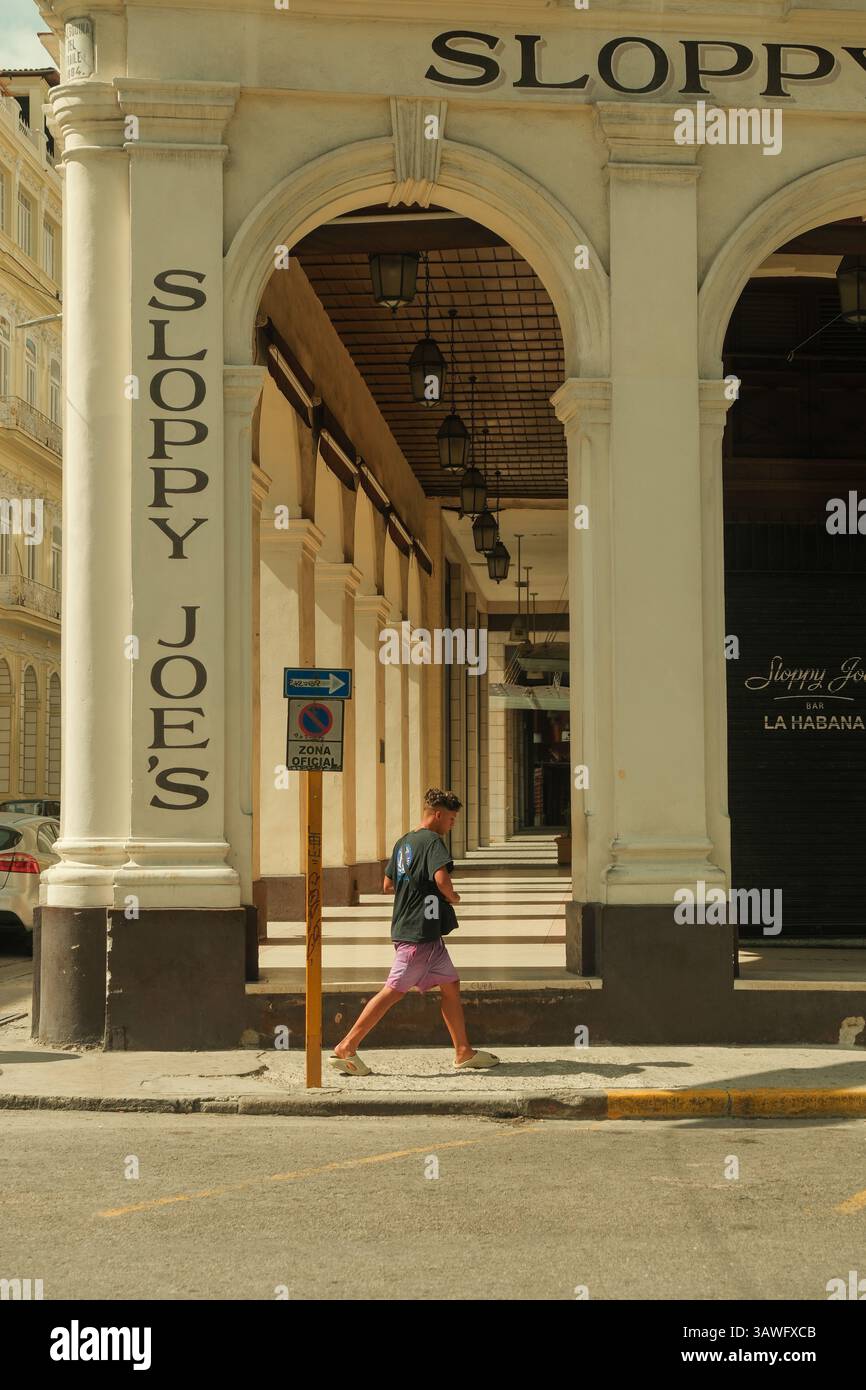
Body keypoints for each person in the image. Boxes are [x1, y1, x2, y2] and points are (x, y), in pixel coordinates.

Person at [330, 788, 500, 1076]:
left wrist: (415, 891)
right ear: (437, 815)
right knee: (393, 991)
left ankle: (463, 1051)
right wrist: (452, 897)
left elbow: (387, 885)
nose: (452, 824)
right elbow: (441, 879)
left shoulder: (403, 842)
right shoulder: (433, 842)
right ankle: (346, 1046)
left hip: (422, 934)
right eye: (451, 818)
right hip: (418, 935)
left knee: (451, 985)